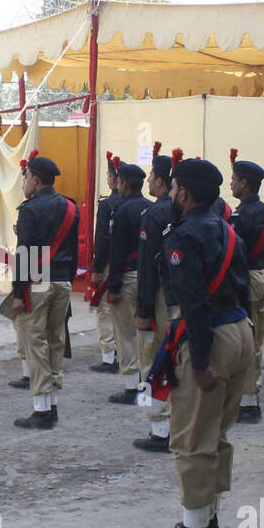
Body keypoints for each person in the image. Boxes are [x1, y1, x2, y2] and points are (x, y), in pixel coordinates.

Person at [143, 156, 253, 528]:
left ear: (184, 193)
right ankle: (209, 519)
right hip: (240, 331)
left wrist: (202, 361)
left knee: (191, 439)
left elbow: (193, 302)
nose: (171, 194)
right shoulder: (228, 230)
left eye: (173, 188)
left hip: (208, 337)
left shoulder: (183, 236)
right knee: (216, 433)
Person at [11, 151, 79, 429]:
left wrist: (18, 293)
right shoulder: (70, 207)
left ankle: (41, 409)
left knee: (35, 343)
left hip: (37, 283)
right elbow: (73, 251)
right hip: (63, 280)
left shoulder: (29, 209)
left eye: (26, 177)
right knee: (54, 340)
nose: (25, 182)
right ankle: (52, 404)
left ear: (36, 180)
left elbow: (24, 253)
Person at [229, 149, 264, 423]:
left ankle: (246, 401)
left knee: (244, 342)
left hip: (246, 279)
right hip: (263, 274)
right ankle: (251, 395)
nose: (231, 184)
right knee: (257, 339)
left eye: (234, 179)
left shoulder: (241, 216)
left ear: (244, 183)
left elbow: (235, 254)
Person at [134, 150, 175, 452]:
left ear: (160, 182)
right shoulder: (188, 210)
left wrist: (143, 308)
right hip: (182, 296)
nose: (148, 181)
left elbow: (148, 266)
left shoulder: (155, 214)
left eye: (151, 177)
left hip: (159, 296)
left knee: (152, 360)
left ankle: (160, 429)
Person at [105, 161, 151, 404]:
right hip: (146, 277)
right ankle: (147, 380)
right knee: (144, 333)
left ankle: (132, 386)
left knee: (125, 334)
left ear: (123, 184)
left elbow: (117, 251)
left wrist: (113, 286)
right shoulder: (151, 208)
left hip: (127, 276)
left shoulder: (122, 211)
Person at [90, 154, 125, 373]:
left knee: (104, 310)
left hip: (110, 264)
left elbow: (101, 239)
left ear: (113, 179)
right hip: (131, 266)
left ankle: (109, 356)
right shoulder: (139, 204)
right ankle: (126, 355)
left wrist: (96, 268)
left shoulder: (107, 205)